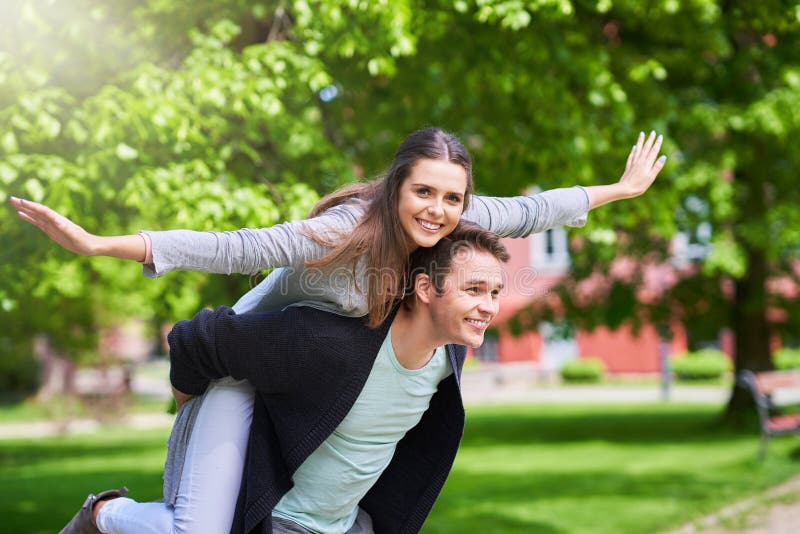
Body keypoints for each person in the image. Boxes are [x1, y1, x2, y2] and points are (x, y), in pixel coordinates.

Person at [14, 128, 665, 533]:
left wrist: (621, 189)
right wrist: (101, 245)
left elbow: (533, 210)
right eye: (424, 193)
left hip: (300, 374)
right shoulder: (347, 232)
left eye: (452, 198)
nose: (438, 211)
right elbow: (236, 246)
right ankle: (103, 514)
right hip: (238, 361)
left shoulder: (455, 222)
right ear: (394, 189)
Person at [64, 222, 510, 534]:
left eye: (494, 292)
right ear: (426, 289)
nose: (488, 306)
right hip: (276, 519)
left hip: (349, 525)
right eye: (474, 290)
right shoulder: (333, 341)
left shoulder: (450, 352)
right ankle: (105, 513)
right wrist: (188, 408)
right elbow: (198, 337)